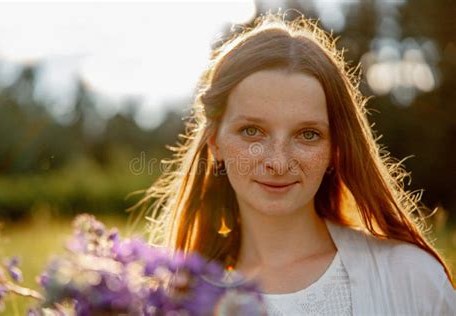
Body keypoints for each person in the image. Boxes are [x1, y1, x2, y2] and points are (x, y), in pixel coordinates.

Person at [129, 11, 456, 315]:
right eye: (252, 131)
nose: (278, 161)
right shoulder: (174, 299)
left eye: (308, 134)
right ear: (215, 143)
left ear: (336, 148)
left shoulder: (411, 280)